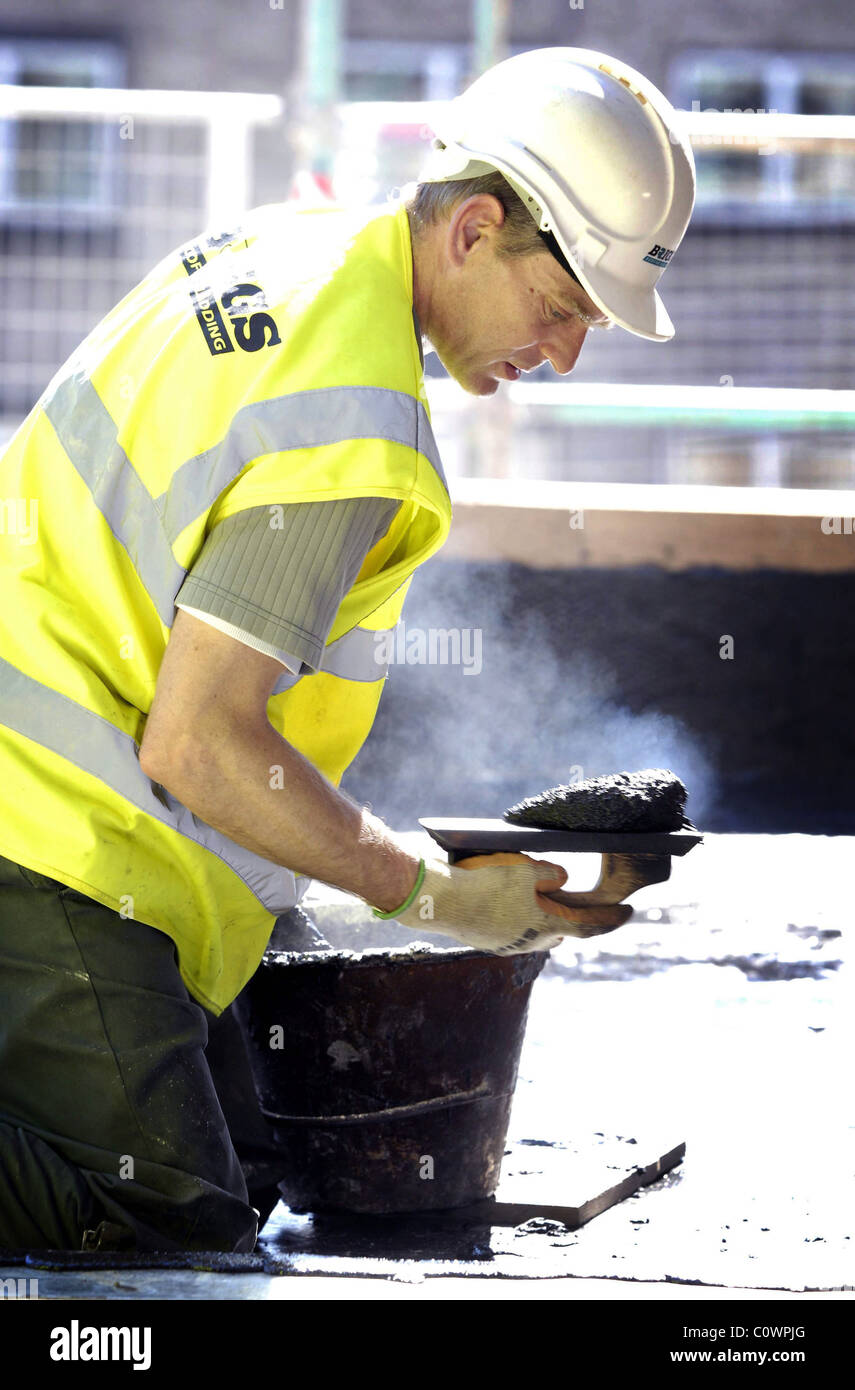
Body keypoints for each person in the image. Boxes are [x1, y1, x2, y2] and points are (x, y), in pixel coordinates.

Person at [0, 48, 695, 1253]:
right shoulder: (354, 423)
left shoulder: (283, 254)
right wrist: (429, 896)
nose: (568, 353)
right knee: (163, 1216)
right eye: (564, 306)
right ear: (476, 227)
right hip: (45, 840)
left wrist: (431, 868)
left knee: (260, 1158)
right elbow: (202, 742)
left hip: (66, 811)